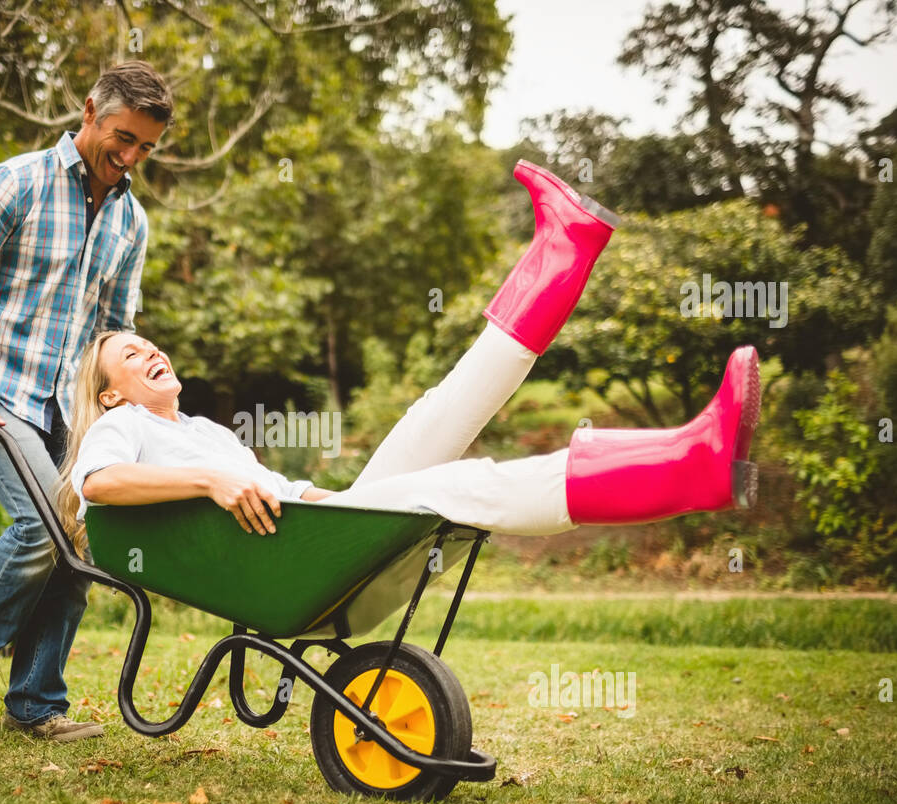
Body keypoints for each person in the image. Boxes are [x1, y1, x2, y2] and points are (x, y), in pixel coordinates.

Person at [56, 161, 760, 548]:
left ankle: (564, 248)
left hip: (318, 530)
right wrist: (211, 484)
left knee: (443, 407)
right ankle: (689, 469)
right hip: (302, 555)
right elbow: (98, 486)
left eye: (148, 341)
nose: (150, 350)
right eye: (129, 353)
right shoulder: (125, 428)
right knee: (463, 485)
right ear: (111, 392)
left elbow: (283, 493)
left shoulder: (200, 432)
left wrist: (324, 498)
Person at [0, 60, 173, 742]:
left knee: (78, 543)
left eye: (145, 147)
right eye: (122, 137)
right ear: (90, 112)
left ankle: (36, 705)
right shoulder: (16, 181)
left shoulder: (131, 220)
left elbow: (115, 326)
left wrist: (126, 406)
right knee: (40, 525)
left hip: (71, 407)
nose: (131, 156)